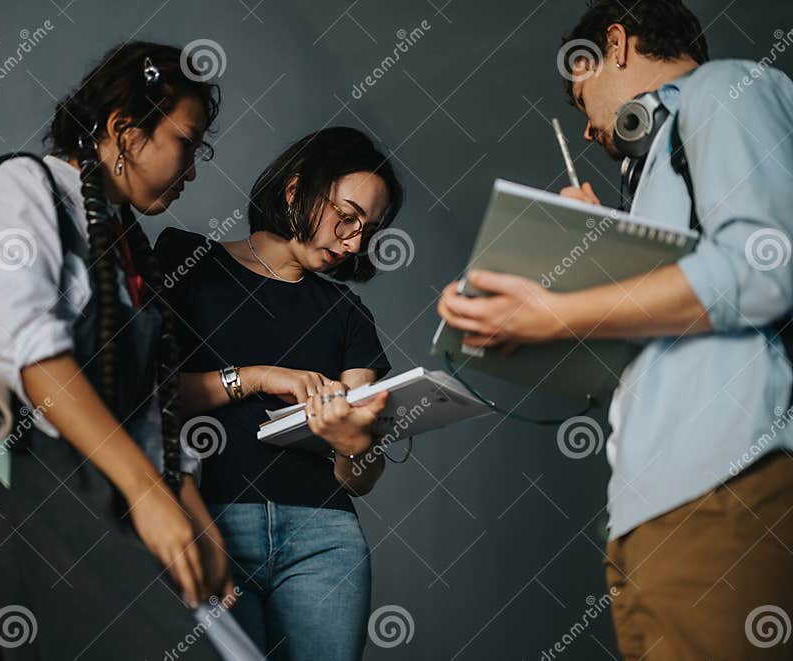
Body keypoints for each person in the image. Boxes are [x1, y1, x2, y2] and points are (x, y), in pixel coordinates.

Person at [437, 2, 793, 659]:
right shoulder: (658, 177)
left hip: (721, 482)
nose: (592, 130)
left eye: (582, 99)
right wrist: (587, 269)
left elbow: (765, 266)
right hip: (648, 513)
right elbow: (660, 342)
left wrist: (559, 313)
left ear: (617, 46)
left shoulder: (724, 88)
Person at [0, 41, 233, 660]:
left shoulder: (131, 249)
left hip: (100, 493)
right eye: (187, 143)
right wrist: (147, 494)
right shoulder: (24, 188)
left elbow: (151, 417)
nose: (193, 170)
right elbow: (31, 359)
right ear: (123, 131)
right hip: (11, 484)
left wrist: (198, 524)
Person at [155, 126, 403, 661]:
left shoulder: (348, 315)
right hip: (211, 517)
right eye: (348, 216)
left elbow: (361, 480)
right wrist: (257, 376)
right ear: (296, 191)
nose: (355, 241)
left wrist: (353, 445)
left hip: (326, 538)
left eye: (369, 229)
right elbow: (149, 397)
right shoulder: (188, 263)